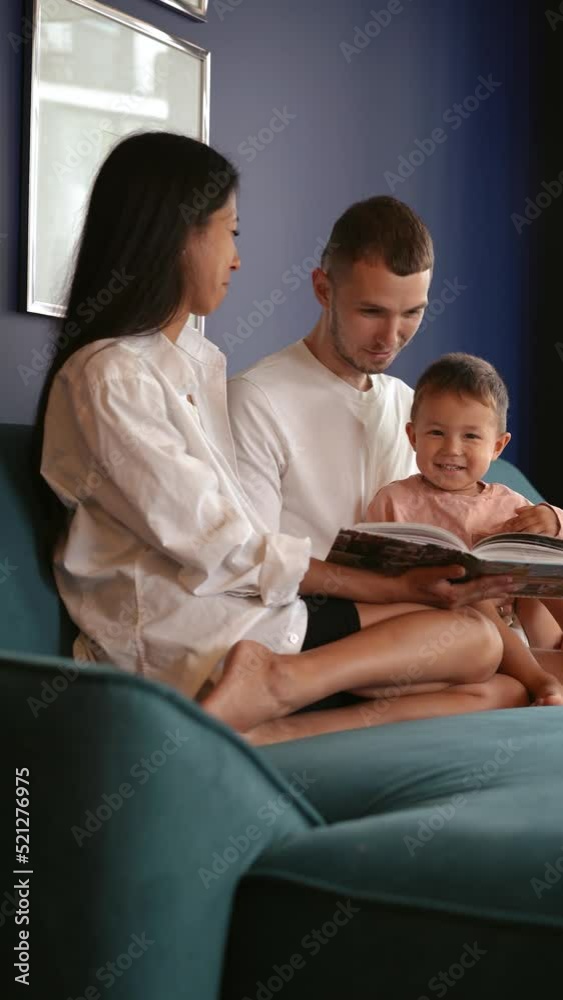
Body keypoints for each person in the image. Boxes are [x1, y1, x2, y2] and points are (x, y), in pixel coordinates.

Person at [36, 133, 524, 747]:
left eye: (412, 313)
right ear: (176, 238)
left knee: (490, 665)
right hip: (188, 623)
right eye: (230, 232)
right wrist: (388, 588)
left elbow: (235, 541)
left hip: (254, 609)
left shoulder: (196, 362)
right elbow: (222, 546)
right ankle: (271, 692)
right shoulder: (110, 375)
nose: (236, 258)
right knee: (475, 644)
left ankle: (273, 728)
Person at [227, 196, 430, 559]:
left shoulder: (411, 405)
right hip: (305, 611)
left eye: (412, 313)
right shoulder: (256, 400)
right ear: (323, 289)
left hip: (405, 605)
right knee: (469, 621)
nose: (390, 336)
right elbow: (249, 567)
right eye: (372, 311)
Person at [366, 352, 563, 704]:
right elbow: (373, 577)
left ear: (498, 446)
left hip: (520, 634)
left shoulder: (509, 502)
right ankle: (538, 682)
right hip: (454, 635)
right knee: (467, 582)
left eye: (471, 436)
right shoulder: (394, 500)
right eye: (436, 433)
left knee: (544, 547)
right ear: (413, 437)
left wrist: (552, 517)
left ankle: (539, 676)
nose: (452, 449)